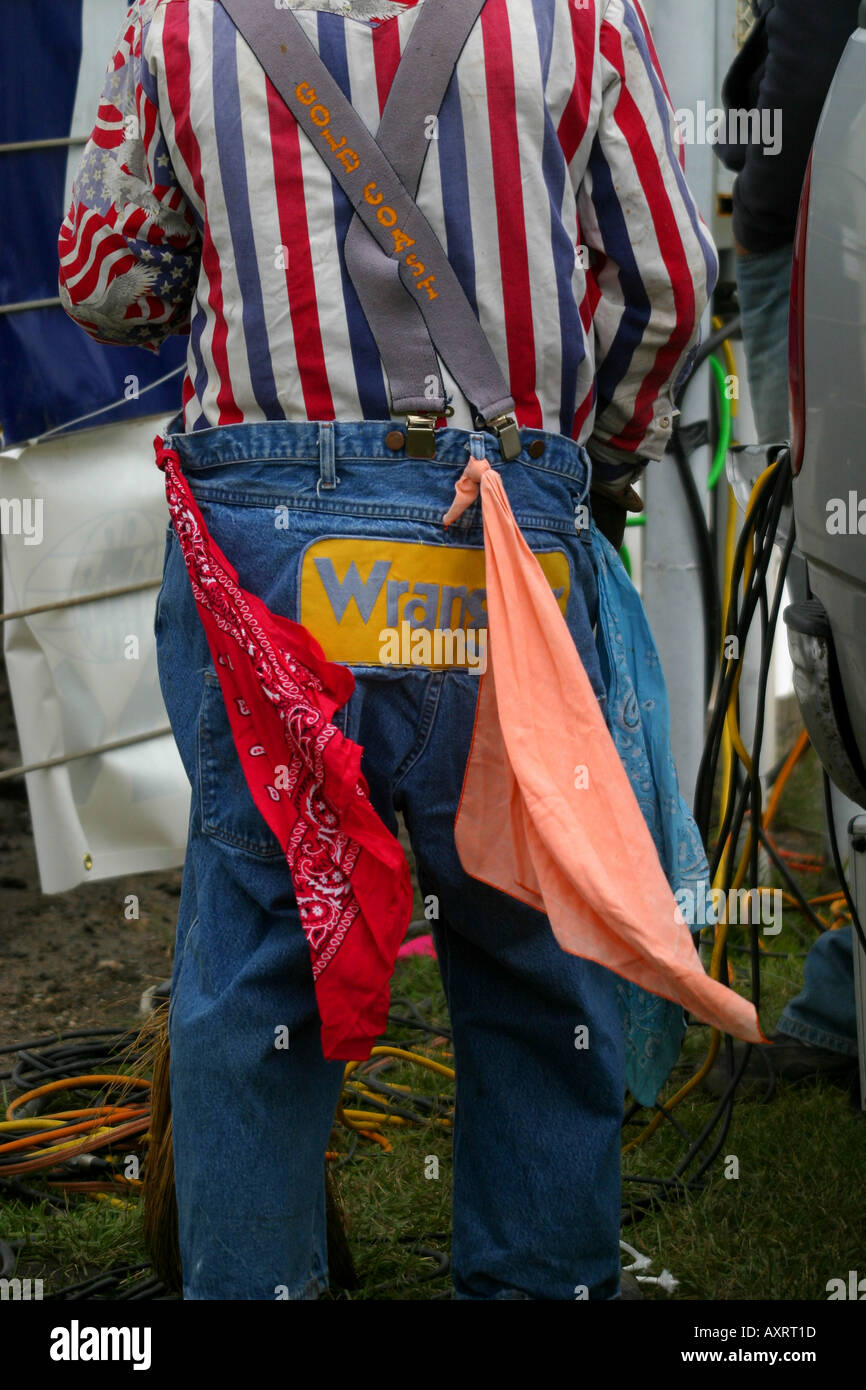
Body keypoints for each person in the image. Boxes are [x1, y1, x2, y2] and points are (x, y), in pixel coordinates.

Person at [59, 0, 719, 1300]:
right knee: (538, 962)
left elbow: (109, 282)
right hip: (501, 549)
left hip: (272, 567)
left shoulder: (176, 16)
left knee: (258, 971)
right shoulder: (577, 9)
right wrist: (590, 468)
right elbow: (671, 289)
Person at [713, 0, 861, 1095]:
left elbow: (810, 61)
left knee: (834, 621)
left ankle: (836, 1003)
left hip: (820, 245)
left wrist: (764, 224)